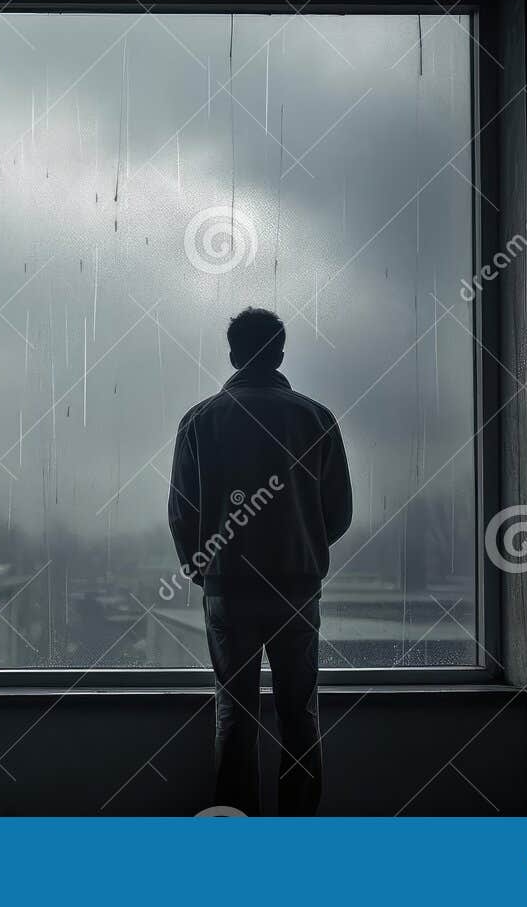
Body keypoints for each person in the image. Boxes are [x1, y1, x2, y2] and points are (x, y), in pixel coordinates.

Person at [168, 307, 353, 816]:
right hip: (296, 586)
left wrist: (203, 566)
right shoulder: (315, 418)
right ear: (280, 353)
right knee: (300, 714)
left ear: (233, 353)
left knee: (234, 715)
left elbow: (182, 512)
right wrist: (304, 547)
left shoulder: (201, 420)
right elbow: (338, 513)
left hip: (230, 585)